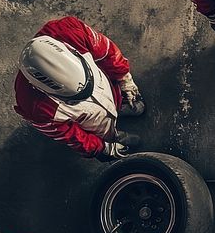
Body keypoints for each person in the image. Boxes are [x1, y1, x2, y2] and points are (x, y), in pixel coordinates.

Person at [14, 16, 145, 160]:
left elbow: (109, 54)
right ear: (43, 90)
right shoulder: (34, 108)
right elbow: (71, 136)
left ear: (73, 53)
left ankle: (120, 102)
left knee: (122, 99)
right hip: (93, 125)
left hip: (108, 88)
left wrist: (125, 81)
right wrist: (102, 148)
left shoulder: (70, 31)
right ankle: (112, 136)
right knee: (102, 134)